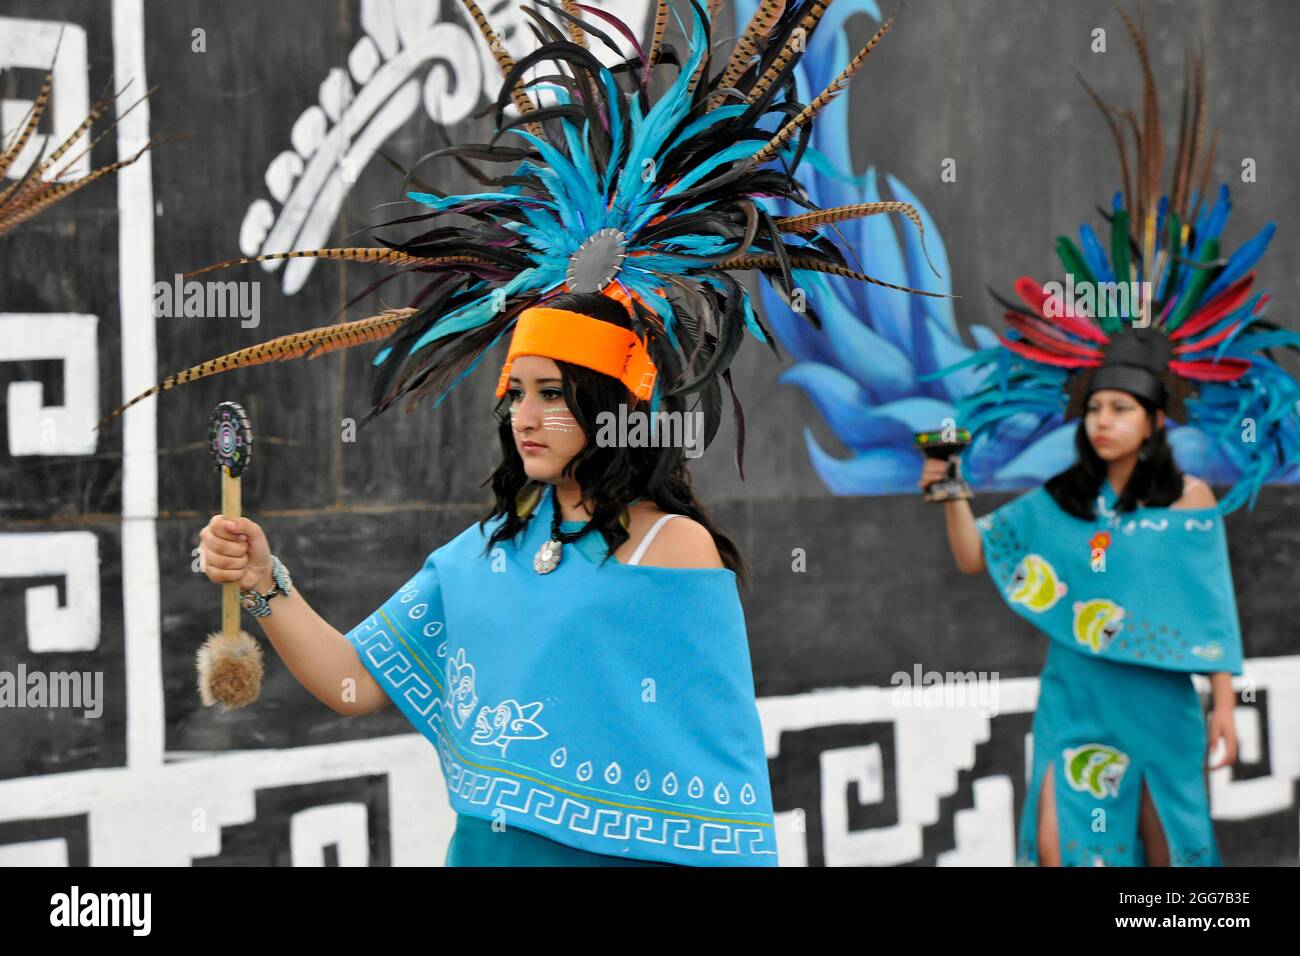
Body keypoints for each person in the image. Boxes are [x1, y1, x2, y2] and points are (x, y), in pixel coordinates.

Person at [101, 1, 944, 864]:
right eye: (515, 393)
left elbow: (719, 779)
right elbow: (353, 684)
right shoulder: (480, 556)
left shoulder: (675, 551)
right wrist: (266, 580)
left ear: (616, 410)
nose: (524, 416)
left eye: (554, 394)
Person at [919, 7, 1300, 865]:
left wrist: (1226, 704)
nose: (1103, 420)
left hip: (1162, 700)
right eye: (1094, 409)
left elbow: (1211, 608)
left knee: (1168, 863)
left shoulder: (1190, 498)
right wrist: (952, 489)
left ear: (1155, 421)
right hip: (1076, 695)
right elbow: (978, 557)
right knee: (1061, 849)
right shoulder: (1060, 499)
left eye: (1120, 409)